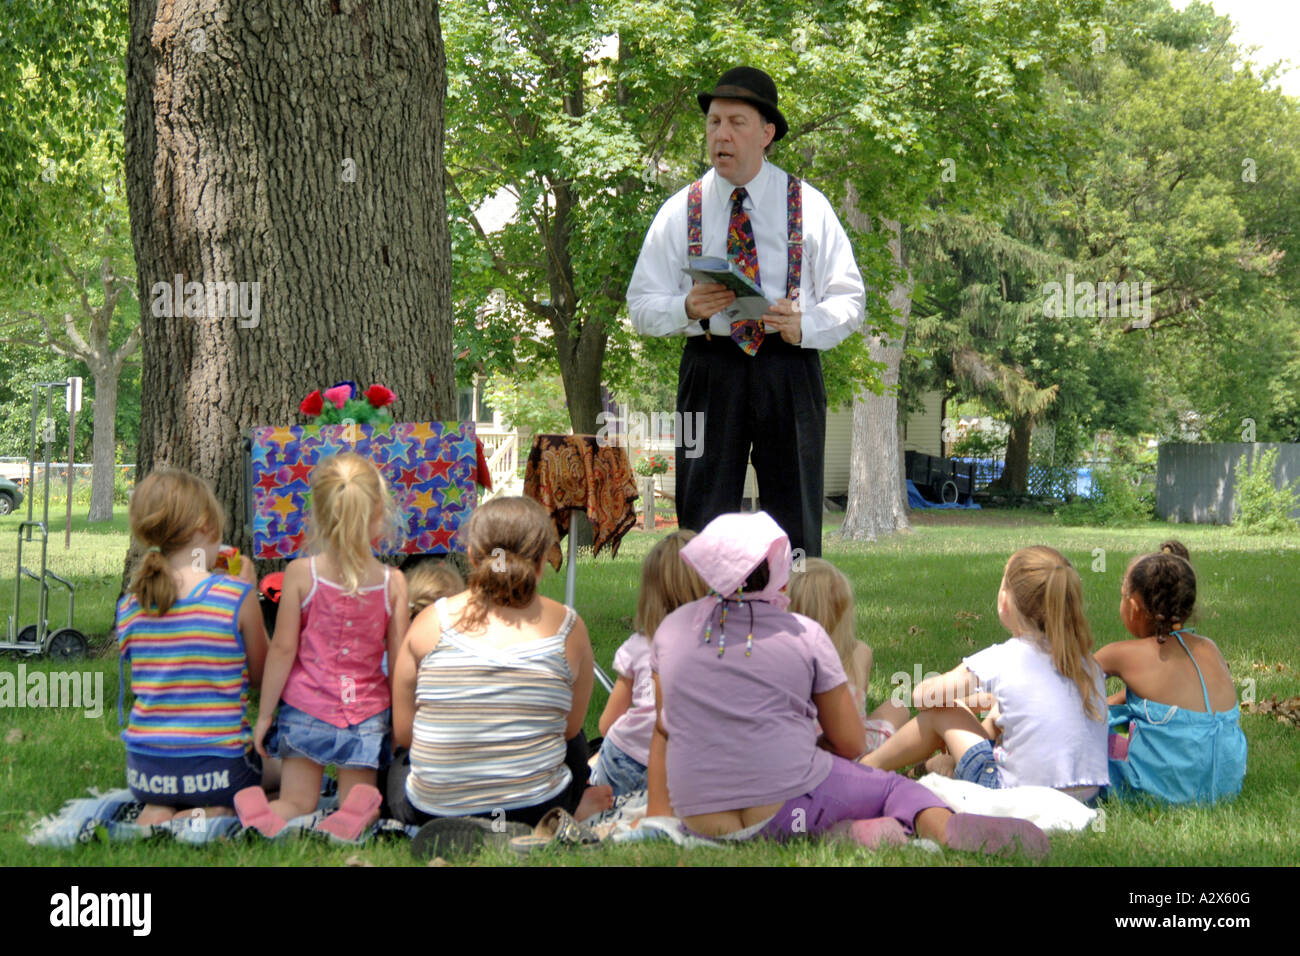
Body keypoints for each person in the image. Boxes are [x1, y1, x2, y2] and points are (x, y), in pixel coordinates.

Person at [648, 511, 1050, 857]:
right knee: (894, 789)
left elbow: (666, 729)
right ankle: (940, 828)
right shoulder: (804, 635)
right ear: (778, 569)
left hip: (700, 821)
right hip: (785, 810)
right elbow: (852, 745)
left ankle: (848, 833)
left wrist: (658, 817)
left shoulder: (671, 632)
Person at [626, 66, 866, 558]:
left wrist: (806, 325)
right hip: (709, 368)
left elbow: (849, 298)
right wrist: (686, 307)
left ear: (766, 133)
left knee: (795, 510)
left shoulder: (809, 205)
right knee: (699, 510)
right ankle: (696, 622)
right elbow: (641, 305)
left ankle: (796, 627)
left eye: (736, 122)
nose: (721, 135)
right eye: (714, 123)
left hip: (789, 367)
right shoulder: (680, 209)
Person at [389, 496, 614, 857]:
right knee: (574, 743)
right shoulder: (569, 627)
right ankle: (554, 813)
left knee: (397, 764)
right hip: (534, 805)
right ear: (542, 561)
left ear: (473, 556)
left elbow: (403, 732)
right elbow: (570, 730)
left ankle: (461, 821)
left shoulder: (430, 622)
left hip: (434, 808)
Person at [236, 453, 409, 841]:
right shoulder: (392, 582)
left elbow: (281, 650)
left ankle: (260, 811)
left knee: (298, 802)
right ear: (378, 513)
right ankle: (348, 819)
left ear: (318, 512)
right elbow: (400, 666)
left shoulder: (299, 574)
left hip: (304, 708)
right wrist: (400, 725)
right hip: (365, 716)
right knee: (360, 799)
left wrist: (265, 717)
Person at [861, 546, 1109, 802]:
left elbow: (924, 698)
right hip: (1086, 797)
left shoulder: (1004, 657)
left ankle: (866, 767)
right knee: (993, 717)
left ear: (1005, 600)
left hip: (1014, 795)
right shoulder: (1088, 664)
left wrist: (955, 701)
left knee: (942, 711)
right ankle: (938, 764)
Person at [117, 468, 269, 826]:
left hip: (146, 772)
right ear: (205, 523)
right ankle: (213, 811)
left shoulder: (131, 604)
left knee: (164, 792)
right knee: (281, 768)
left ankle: (158, 810)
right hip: (219, 771)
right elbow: (262, 676)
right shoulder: (234, 596)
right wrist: (249, 591)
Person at [1095, 543, 1246, 804]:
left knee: (1110, 726)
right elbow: (1165, 698)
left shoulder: (1119, 654)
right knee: (1122, 714)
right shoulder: (1209, 647)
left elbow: (1066, 687)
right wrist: (1114, 701)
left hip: (1167, 789)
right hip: (1225, 782)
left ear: (1132, 605)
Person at [592, 530, 706, 797]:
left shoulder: (638, 645)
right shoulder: (721, 647)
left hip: (625, 761)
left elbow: (607, 724)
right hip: (690, 770)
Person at [788, 557, 908, 752]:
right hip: (850, 752)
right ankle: (875, 763)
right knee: (897, 706)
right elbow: (855, 717)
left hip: (797, 753)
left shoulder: (777, 656)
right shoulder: (859, 653)